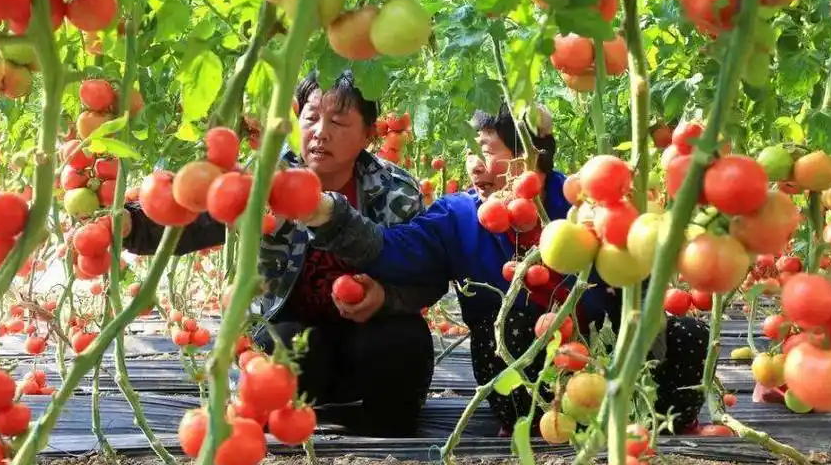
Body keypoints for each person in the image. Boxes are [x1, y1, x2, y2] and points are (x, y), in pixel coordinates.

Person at [300, 102, 710, 434]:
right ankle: (539, 422)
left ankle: (660, 421)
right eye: (474, 150)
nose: (475, 166)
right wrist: (327, 214)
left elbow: (637, 285)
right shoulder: (457, 218)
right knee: (514, 323)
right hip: (524, 375)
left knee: (690, 334)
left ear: (532, 159)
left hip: (604, 362)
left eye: (488, 150)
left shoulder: (582, 207)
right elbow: (392, 250)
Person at [122, 71, 444, 437]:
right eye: (310, 118)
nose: (320, 132)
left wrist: (386, 297)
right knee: (289, 346)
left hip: (371, 342)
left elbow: (428, 275)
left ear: (368, 133)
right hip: (291, 335)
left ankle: (382, 424)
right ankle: (298, 408)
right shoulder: (265, 178)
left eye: (338, 121)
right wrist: (131, 226)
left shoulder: (395, 192)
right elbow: (193, 217)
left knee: (403, 340)